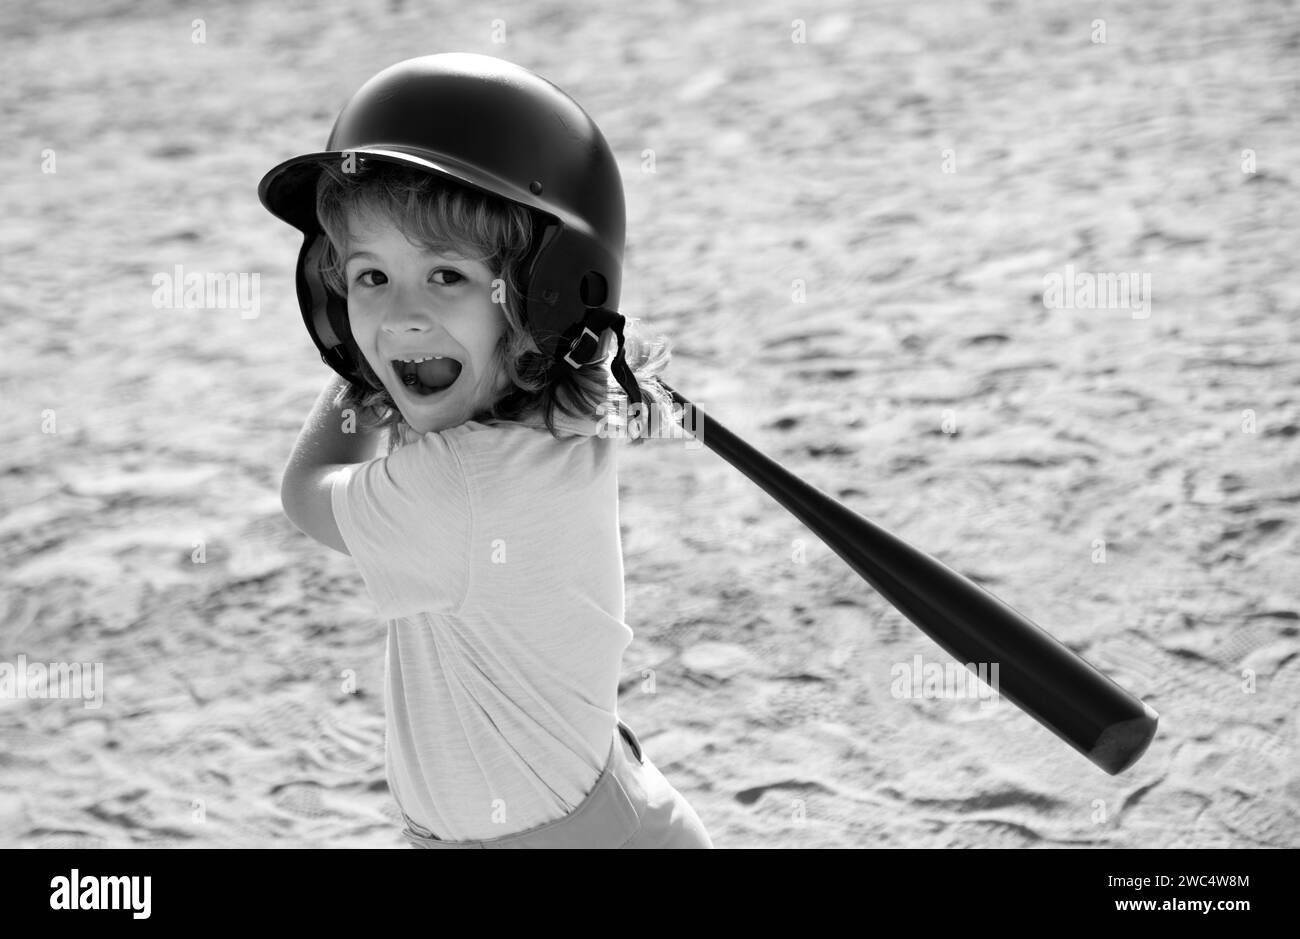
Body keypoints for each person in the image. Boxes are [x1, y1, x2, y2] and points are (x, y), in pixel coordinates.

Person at [258, 53, 713, 848]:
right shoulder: (559, 409)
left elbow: (306, 493)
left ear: (547, 293)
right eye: (368, 277)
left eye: (445, 275)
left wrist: (354, 374)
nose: (400, 317)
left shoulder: (457, 485)